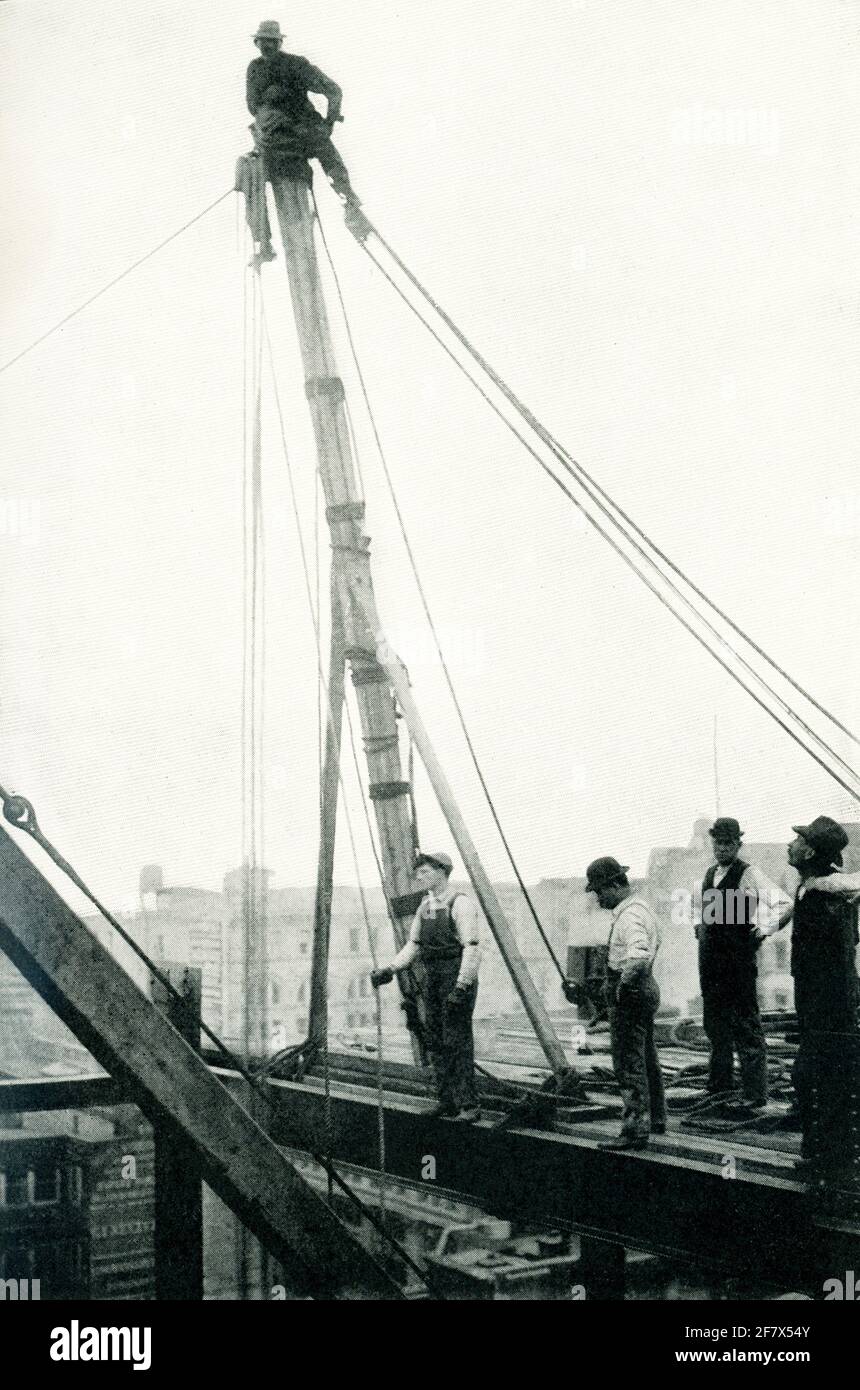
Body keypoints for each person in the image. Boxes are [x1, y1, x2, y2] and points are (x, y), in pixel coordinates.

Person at [773, 816, 859, 1184]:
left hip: (828, 1005)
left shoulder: (829, 897)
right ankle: (821, 1153)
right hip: (816, 1003)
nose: (790, 845)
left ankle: (830, 1160)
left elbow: (839, 956)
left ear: (810, 851)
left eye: (798, 840)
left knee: (820, 1078)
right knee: (815, 1078)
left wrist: (831, 1012)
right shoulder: (813, 889)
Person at [370, 851, 481, 1122]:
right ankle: (447, 1102)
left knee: (457, 1040)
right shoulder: (425, 906)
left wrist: (462, 986)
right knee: (435, 1040)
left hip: (455, 974)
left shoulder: (460, 903)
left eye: (425, 871)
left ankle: (469, 1105)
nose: (419, 876)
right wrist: (391, 969)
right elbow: (414, 944)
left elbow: (472, 947)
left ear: (442, 871)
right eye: (418, 872)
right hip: (432, 977)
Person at [566, 857, 666, 1150]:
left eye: (600, 892)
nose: (598, 899)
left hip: (632, 994)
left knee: (627, 1063)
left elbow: (638, 956)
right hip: (645, 991)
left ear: (614, 885)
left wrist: (621, 989)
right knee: (647, 1058)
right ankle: (657, 1119)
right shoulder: (641, 908)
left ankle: (634, 1130)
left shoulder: (629, 916)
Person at [693, 817, 792, 1112]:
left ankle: (754, 1093)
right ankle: (720, 1087)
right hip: (711, 965)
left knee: (745, 1026)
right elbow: (700, 912)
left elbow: (785, 904)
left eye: (728, 843)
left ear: (738, 844)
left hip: (737, 964)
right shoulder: (709, 875)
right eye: (718, 843)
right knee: (716, 1026)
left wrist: (764, 930)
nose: (722, 848)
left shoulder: (749, 874)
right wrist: (699, 926)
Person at [246, 21, 360, 204]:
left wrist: (329, 123)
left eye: (271, 41)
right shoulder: (255, 69)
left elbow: (333, 90)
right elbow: (252, 105)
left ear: (279, 43)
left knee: (326, 151)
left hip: (299, 131)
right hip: (277, 135)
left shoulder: (297, 65)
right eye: (263, 41)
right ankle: (345, 194)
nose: (267, 46)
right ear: (257, 43)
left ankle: (347, 197)